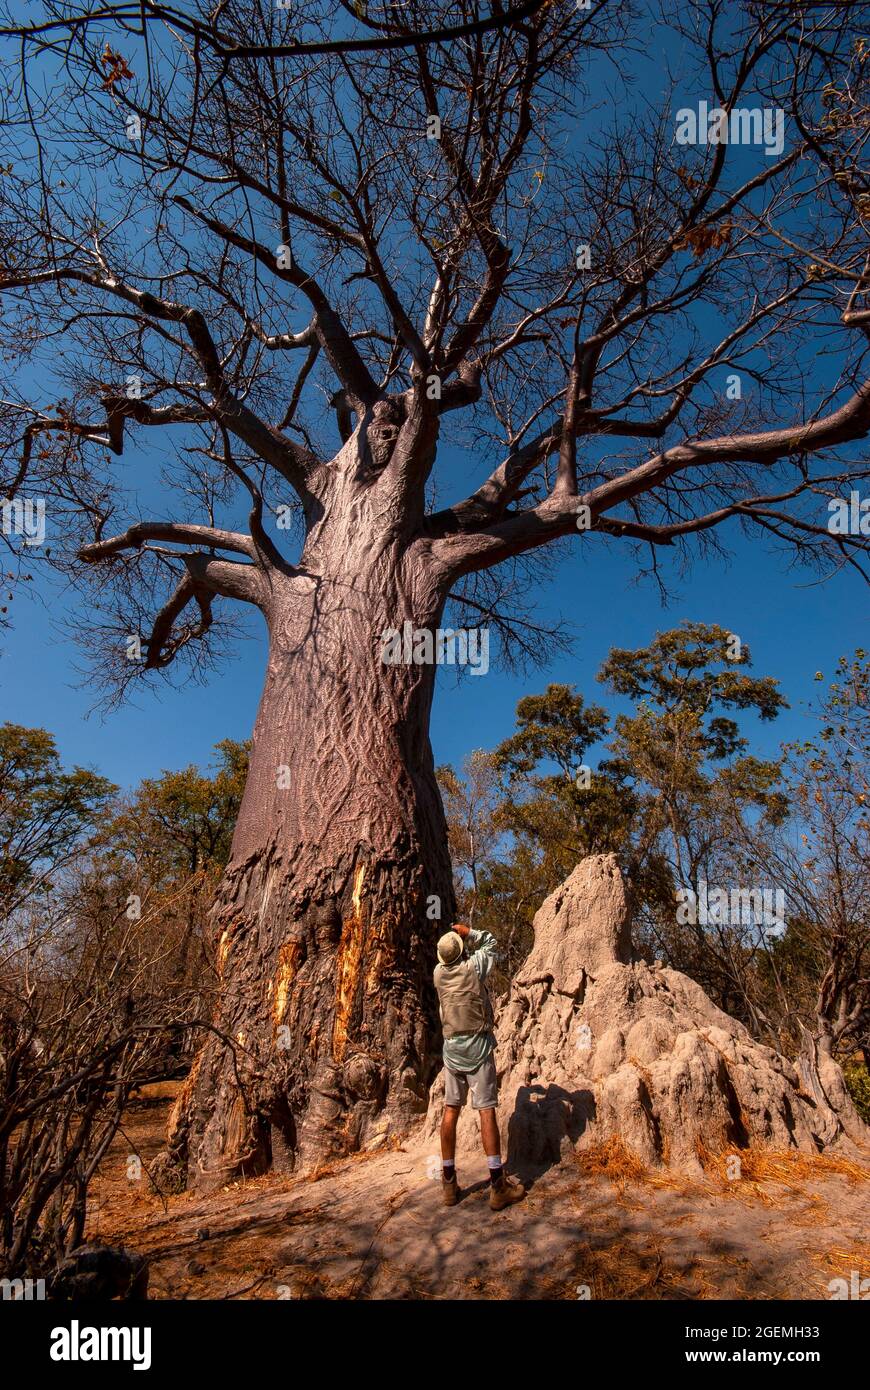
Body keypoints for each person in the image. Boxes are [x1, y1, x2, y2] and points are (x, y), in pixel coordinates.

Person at [433, 922, 525, 1211]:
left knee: (450, 1111)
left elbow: (450, 961)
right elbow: (491, 943)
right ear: (461, 953)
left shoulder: (438, 975)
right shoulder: (473, 969)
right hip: (478, 1048)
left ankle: (449, 1184)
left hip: (451, 1052)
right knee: (486, 1111)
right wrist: (468, 932)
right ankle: (497, 1186)